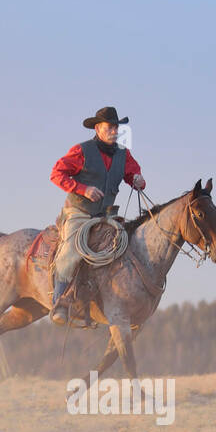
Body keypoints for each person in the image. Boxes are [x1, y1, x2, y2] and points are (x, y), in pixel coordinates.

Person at [48, 106, 146, 326]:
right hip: (79, 212)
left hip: (107, 215)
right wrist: (83, 189)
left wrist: (139, 181)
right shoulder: (81, 151)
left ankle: (104, 301)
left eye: (116, 127)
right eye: (110, 127)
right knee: (72, 250)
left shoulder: (123, 154)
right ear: (98, 128)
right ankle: (59, 301)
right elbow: (57, 173)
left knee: (124, 247)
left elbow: (134, 174)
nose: (114, 130)